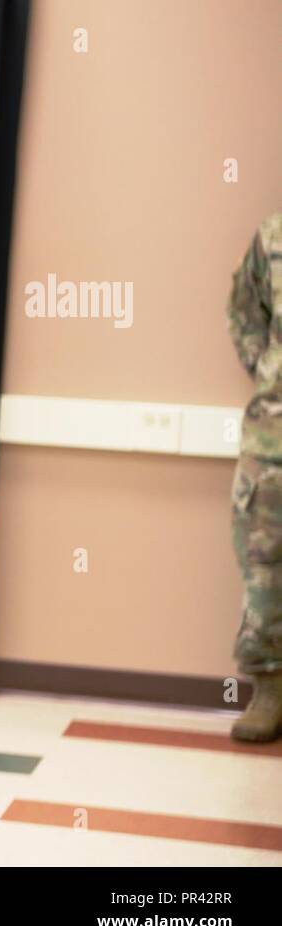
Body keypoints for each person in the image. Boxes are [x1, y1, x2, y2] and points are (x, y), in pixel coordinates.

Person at [227, 211, 282, 743]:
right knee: (264, 565)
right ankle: (270, 687)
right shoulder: (272, 237)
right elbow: (245, 316)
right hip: (276, 439)